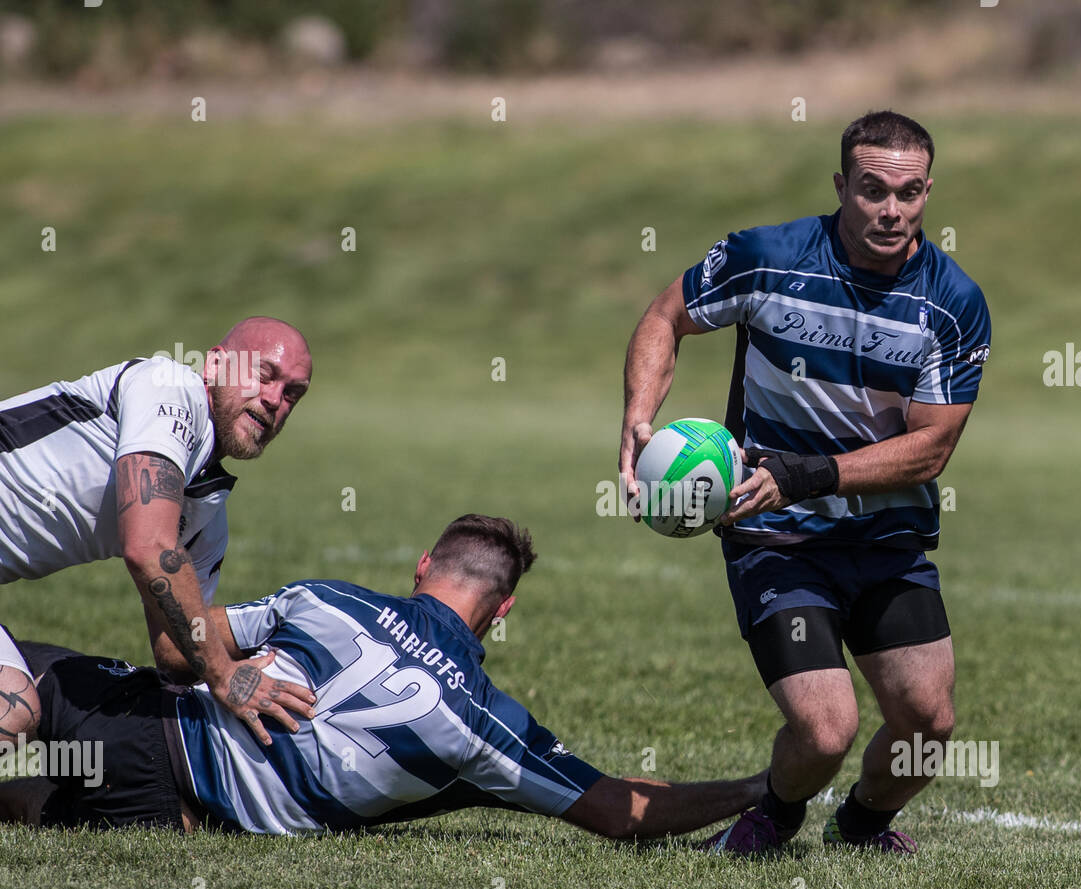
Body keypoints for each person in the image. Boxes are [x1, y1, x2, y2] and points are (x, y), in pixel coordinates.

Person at [618, 111, 992, 855]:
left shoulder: (951, 301)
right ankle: (771, 820)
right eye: (873, 189)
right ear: (841, 186)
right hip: (775, 535)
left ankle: (861, 827)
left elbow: (931, 449)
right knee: (826, 731)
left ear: (927, 192)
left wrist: (812, 474)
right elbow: (665, 316)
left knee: (929, 722)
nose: (891, 210)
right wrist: (638, 416)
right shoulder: (767, 257)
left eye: (910, 193)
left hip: (886, 535)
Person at [0, 515, 764, 839]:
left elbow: (177, 652)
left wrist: (233, 671)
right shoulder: (481, 728)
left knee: (18, 669)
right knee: (32, 799)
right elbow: (617, 808)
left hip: (146, 724)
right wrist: (763, 789)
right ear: (504, 610)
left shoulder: (327, 599)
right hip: (169, 817)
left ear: (424, 565)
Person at [0, 317, 317, 749]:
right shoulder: (170, 388)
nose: (274, 400)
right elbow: (148, 546)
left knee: (11, 712)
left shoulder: (206, 510)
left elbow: (175, 648)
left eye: (292, 395)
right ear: (215, 365)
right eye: (264, 375)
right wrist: (226, 676)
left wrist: (292, 635)